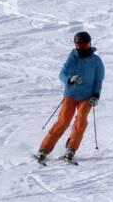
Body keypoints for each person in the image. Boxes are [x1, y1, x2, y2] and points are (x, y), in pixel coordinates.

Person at [36, 31, 104, 165]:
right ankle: (44, 149)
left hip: (87, 96)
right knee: (63, 121)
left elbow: (99, 80)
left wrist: (96, 95)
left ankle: (71, 148)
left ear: (89, 44)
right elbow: (62, 74)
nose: (82, 48)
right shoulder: (73, 57)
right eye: (79, 46)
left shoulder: (96, 61)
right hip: (71, 95)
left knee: (81, 120)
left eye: (85, 45)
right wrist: (70, 80)